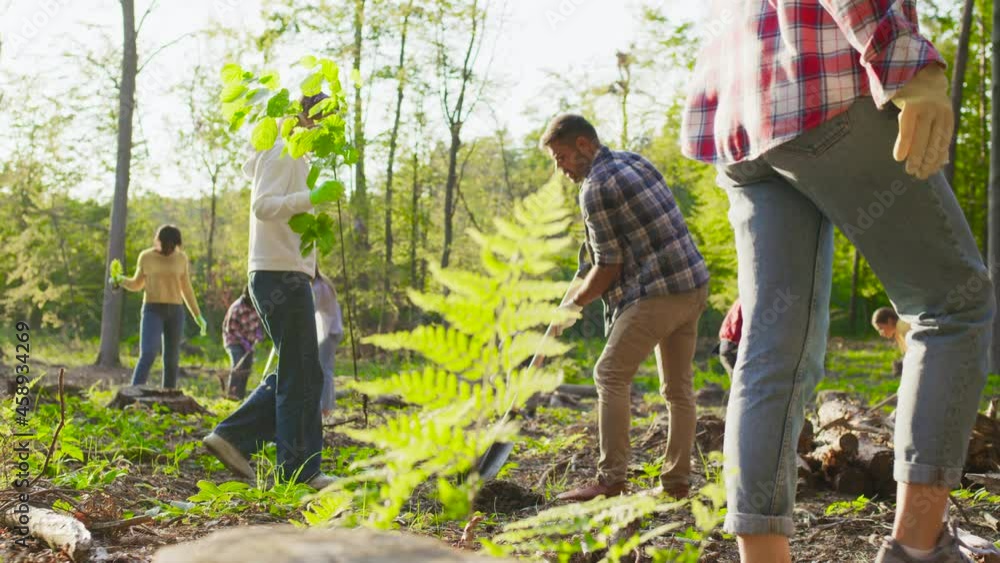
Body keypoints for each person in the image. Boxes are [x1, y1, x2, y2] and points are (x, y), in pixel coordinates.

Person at [681, 1, 995, 561]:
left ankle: (764, 557)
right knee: (951, 308)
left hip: (742, 114)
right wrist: (913, 68)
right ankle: (917, 549)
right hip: (825, 82)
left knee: (771, 351)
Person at [540, 114, 710, 502]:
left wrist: (573, 304)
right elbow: (623, 242)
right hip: (693, 286)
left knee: (609, 374)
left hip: (658, 293)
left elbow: (608, 267)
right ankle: (677, 482)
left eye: (562, 156)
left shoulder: (595, 187)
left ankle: (611, 480)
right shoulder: (636, 160)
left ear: (584, 145)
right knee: (678, 389)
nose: (560, 167)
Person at [203, 94, 340, 490]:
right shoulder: (281, 149)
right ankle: (298, 470)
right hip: (277, 274)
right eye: (325, 124)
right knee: (302, 372)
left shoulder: (297, 157)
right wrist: (311, 198)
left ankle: (233, 437)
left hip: (288, 273)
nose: (326, 134)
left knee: (301, 370)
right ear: (308, 117)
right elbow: (263, 206)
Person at [112, 224, 206, 389]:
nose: (169, 249)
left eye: (173, 246)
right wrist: (120, 280)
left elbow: (187, 288)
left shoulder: (181, 258)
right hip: (152, 310)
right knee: (148, 353)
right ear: (159, 241)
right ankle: (134, 393)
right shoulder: (146, 257)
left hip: (175, 311)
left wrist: (197, 315)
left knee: (171, 359)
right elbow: (136, 284)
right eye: (166, 244)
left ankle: (168, 394)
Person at [222, 285, 264, 400]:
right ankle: (231, 396)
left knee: (246, 369)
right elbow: (231, 330)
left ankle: (239, 397)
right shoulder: (236, 308)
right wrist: (244, 342)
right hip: (234, 341)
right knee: (238, 366)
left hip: (249, 342)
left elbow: (259, 322)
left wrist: (259, 332)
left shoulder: (256, 305)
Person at [312, 266, 344, 417]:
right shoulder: (325, 284)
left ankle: (325, 409)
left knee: (324, 371)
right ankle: (327, 407)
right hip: (333, 330)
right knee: (326, 370)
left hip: (329, 332)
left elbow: (310, 309)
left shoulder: (318, 287)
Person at [873, 306, 911, 377]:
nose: (880, 334)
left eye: (881, 328)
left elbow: (917, 351)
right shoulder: (898, 332)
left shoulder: (903, 327)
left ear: (889, 321)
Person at [718, 299, 742, 377]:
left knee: (738, 381)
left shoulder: (743, 298)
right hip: (732, 346)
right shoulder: (747, 302)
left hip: (725, 344)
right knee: (740, 381)